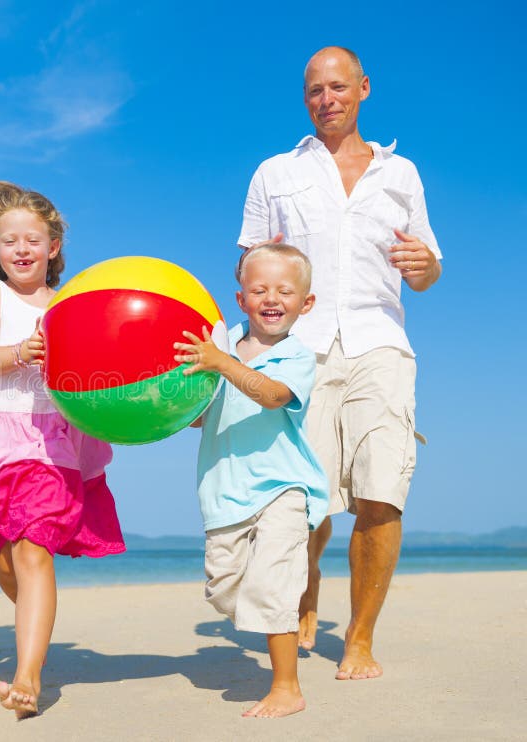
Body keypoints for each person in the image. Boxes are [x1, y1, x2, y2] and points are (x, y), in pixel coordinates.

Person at [237, 46, 442, 680]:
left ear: (363, 89)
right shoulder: (274, 172)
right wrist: (245, 352)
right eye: (315, 90)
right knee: (307, 502)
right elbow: (248, 268)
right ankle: (306, 587)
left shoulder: (400, 173)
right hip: (302, 350)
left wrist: (427, 268)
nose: (327, 98)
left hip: (381, 343)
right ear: (306, 98)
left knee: (382, 493)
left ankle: (358, 638)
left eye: (338, 87)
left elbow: (429, 265)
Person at [0, 180, 126, 718]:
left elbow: (90, 370)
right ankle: (34, 622)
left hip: (50, 440)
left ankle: (28, 678)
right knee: (9, 564)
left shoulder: (67, 303)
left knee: (35, 552)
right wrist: (21, 350)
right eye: (10, 241)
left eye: (33, 240)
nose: (21, 249)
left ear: (53, 247)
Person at [174, 244, 329, 717]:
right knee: (224, 590)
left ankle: (287, 687)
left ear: (306, 303)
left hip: (284, 486)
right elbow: (201, 415)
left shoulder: (297, 356)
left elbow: (274, 395)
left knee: (270, 588)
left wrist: (222, 364)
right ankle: (284, 603)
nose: (271, 298)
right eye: (259, 289)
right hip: (225, 492)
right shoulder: (219, 346)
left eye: (285, 291)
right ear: (241, 300)